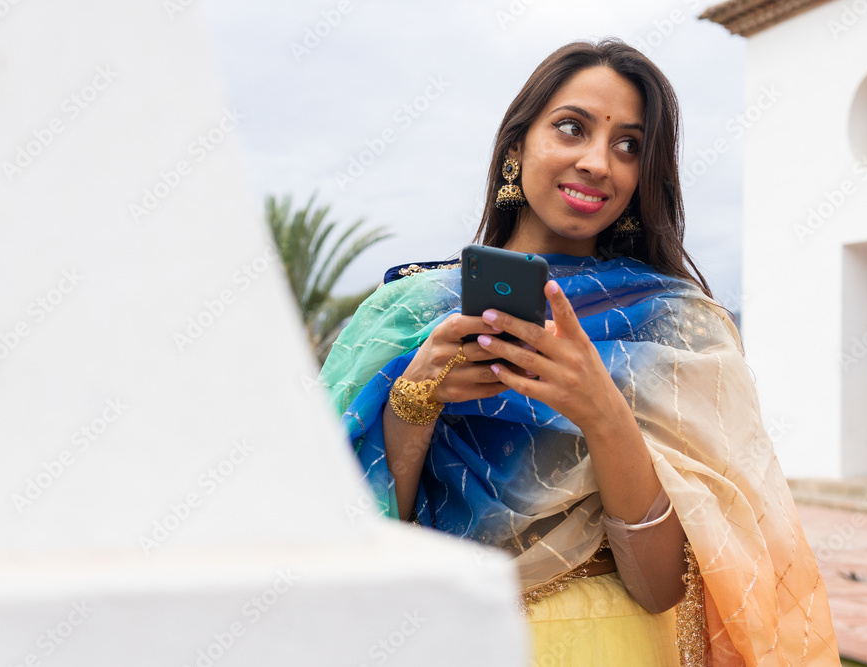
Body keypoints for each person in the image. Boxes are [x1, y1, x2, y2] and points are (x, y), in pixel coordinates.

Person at [319, 39, 840, 666]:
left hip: (612, 643)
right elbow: (343, 537)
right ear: (516, 147)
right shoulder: (407, 314)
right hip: (448, 638)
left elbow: (658, 588)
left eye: (629, 146)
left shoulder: (676, 328)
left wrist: (602, 412)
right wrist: (413, 401)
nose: (599, 162)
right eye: (572, 129)